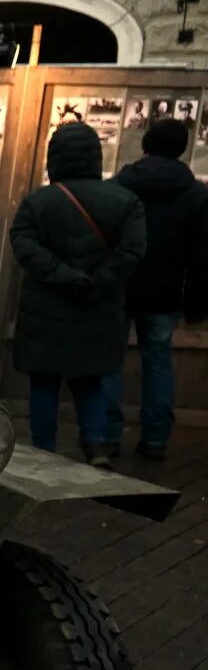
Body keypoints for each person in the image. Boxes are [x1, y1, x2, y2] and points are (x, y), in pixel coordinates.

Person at [11, 121, 146, 465]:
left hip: (46, 308)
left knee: (44, 381)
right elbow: (132, 250)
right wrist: (98, 280)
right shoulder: (125, 201)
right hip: (98, 306)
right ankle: (95, 442)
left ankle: (43, 446)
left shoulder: (38, 202)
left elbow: (25, 246)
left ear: (54, 157)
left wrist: (65, 276)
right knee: (90, 379)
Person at [105, 119, 208, 459]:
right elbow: (200, 254)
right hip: (165, 291)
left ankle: (106, 435)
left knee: (110, 360)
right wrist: (194, 303)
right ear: (181, 149)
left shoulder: (122, 183)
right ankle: (155, 439)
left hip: (120, 284)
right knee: (159, 363)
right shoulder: (195, 194)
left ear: (146, 144)